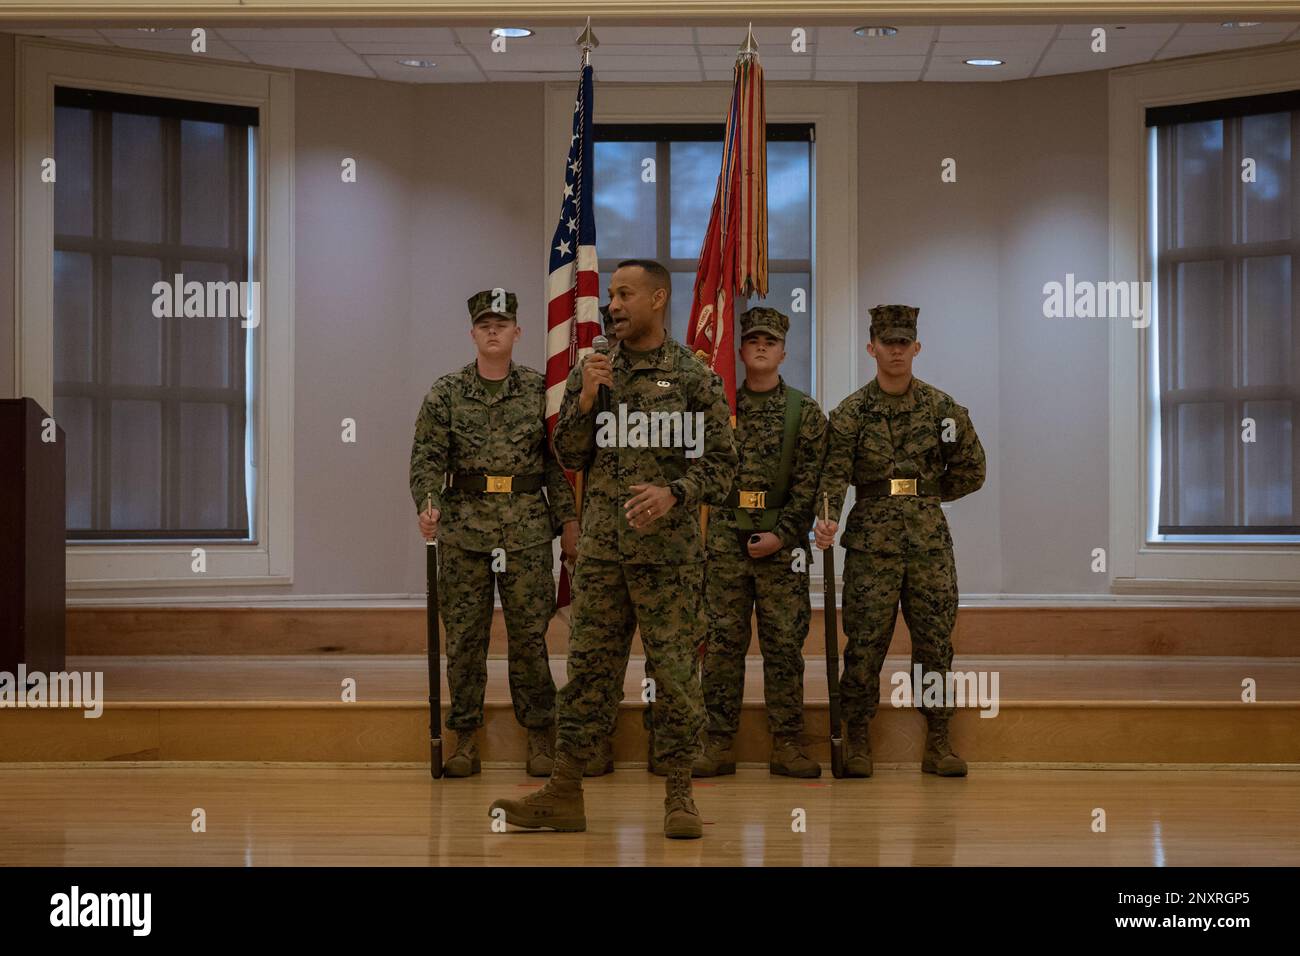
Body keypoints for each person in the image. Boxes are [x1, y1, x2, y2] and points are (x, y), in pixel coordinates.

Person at [488, 259, 737, 838]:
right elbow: (570, 456)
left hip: (670, 561)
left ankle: (679, 795)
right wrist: (585, 398)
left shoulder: (693, 377)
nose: (614, 305)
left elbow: (725, 468)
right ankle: (565, 793)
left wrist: (676, 492)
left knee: (674, 677)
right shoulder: (593, 370)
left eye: (626, 295)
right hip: (602, 556)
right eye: (612, 296)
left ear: (658, 298)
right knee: (589, 674)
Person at [409, 289, 578, 777]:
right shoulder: (445, 393)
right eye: (484, 324)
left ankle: (541, 735)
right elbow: (426, 460)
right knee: (465, 640)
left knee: (530, 637)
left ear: (517, 332)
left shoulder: (539, 391)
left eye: (501, 324)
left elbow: (557, 465)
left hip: (525, 531)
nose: (492, 331)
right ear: (472, 333)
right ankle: (465, 738)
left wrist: (568, 522)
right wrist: (428, 503)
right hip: (464, 533)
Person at [814, 304, 985, 777]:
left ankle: (939, 741)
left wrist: (927, 496)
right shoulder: (850, 414)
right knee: (865, 644)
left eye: (903, 343)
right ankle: (858, 740)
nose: (895, 350)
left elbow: (973, 469)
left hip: (928, 546)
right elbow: (832, 478)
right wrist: (825, 520)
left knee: (934, 644)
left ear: (916, 348)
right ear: (872, 348)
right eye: (886, 343)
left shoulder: (943, 410)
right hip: (871, 547)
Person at [694, 306, 827, 779]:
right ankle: (717, 743)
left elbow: (811, 485)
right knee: (723, 646)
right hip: (725, 546)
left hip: (782, 548)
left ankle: (788, 744)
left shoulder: (805, 412)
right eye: (753, 341)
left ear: (784, 352)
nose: (762, 347)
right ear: (741, 350)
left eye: (770, 341)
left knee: (784, 648)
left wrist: (784, 535)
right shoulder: (719, 409)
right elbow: (700, 473)